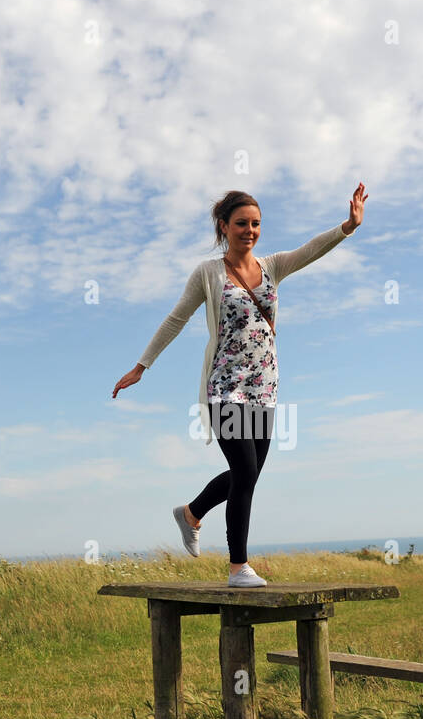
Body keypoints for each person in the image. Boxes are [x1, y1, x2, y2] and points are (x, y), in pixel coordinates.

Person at [113, 183, 368, 587]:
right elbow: (176, 318)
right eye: (241, 224)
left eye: (256, 224)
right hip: (225, 388)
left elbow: (312, 249)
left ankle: (192, 512)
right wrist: (142, 365)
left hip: (264, 388)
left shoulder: (273, 267)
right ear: (223, 227)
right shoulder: (208, 273)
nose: (250, 231)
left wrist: (348, 227)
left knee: (247, 475)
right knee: (245, 470)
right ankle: (238, 568)